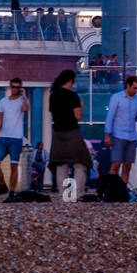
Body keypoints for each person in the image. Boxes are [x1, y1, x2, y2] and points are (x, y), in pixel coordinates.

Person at [47, 68, 90, 198]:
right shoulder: (72, 96)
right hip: (71, 132)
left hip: (57, 132)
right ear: (70, 81)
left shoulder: (53, 95)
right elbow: (78, 116)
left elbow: (52, 114)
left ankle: (65, 194)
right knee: (80, 163)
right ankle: (77, 193)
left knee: (61, 165)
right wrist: (81, 106)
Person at [0, 77, 30, 195]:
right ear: (10, 87)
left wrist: (23, 96)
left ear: (20, 88)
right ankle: (3, 186)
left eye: (18, 87)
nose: (15, 89)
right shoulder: (3, 101)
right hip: (3, 137)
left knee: (14, 165)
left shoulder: (23, 100)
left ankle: (12, 192)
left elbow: (25, 109)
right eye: (13, 87)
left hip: (16, 138)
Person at [104, 75, 137, 184]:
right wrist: (107, 135)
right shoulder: (116, 97)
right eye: (134, 88)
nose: (136, 91)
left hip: (132, 136)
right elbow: (110, 116)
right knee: (115, 164)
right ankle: (110, 189)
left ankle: (122, 190)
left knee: (127, 165)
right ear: (128, 85)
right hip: (118, 135)